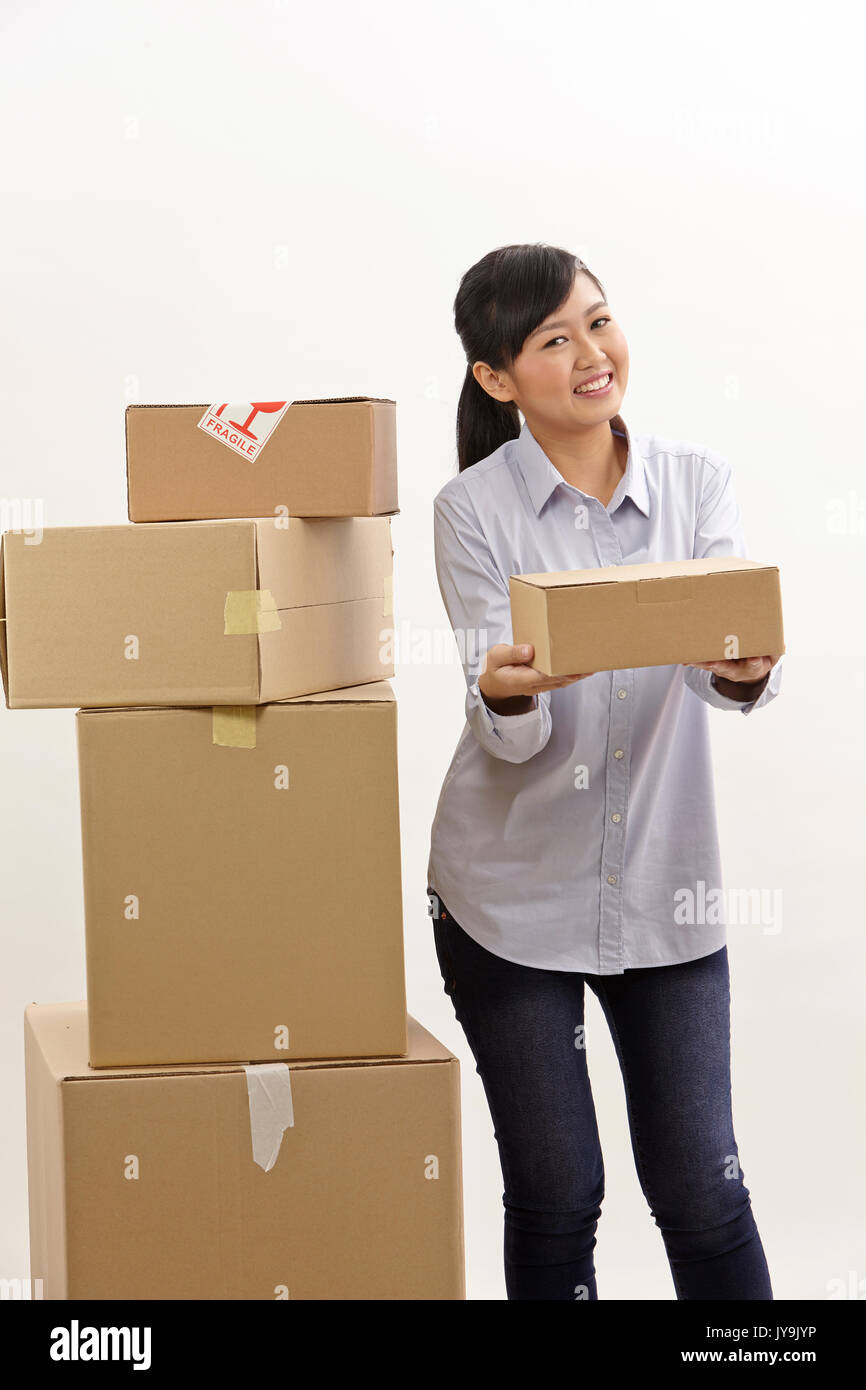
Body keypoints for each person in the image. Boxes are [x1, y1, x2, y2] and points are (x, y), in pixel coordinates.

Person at [425, 242, 784, 1301]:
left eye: (598, 320)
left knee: (701, 1191)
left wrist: (741, 669)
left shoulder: (693, 482)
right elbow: (515, 739)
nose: (591, 353)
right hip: (506, 895)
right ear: (497, 378)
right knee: (555, 1192)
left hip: (665, 886)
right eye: (551, 339)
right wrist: (505, 692)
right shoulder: (472, 512)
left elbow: (724, 676)